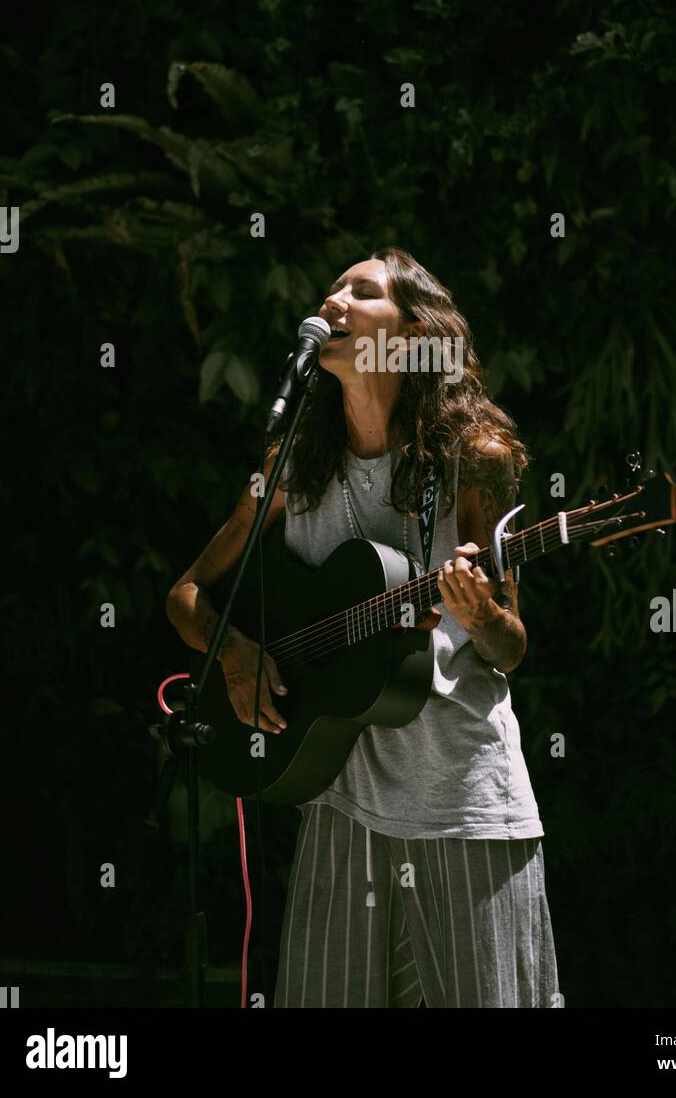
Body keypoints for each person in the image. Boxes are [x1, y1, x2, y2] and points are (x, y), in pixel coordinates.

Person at [166, 247, 562, 1008]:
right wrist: (238, 656)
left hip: (464, 806)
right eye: (332, 288)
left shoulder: (472, 461)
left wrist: (481, 615)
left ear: (412, 338)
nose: (334, 300)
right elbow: (186, 594)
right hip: (339, 803)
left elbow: (510, 645)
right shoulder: (291, 471)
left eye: (363, 290)